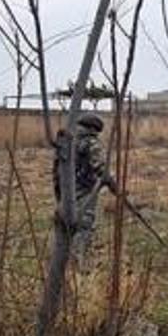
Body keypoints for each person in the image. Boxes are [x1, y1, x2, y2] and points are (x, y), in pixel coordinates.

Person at [52, 113, 117, 264]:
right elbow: (101, 168)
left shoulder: (66, 142)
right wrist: (115, 187)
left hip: (65, 189)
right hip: (85, 189)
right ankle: (79, 261)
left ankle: (60, 259)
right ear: (94, 129)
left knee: (64, 224)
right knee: (85, 224)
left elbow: (56, 170)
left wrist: (59, 192)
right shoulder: (91, 142)